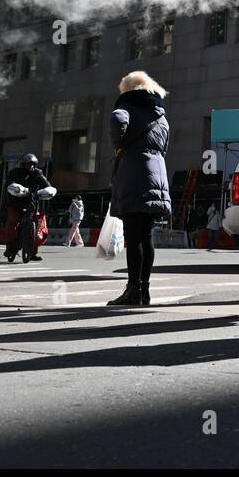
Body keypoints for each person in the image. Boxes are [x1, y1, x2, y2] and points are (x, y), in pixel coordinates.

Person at [107, 71, 173, 305]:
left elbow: (117, 119)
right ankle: (144, 291)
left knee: (132, 236)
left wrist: (118, 144)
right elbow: (164, 146)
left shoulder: (128, 106)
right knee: (146, 235)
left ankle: (132, 290)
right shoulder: (161, 116)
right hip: (157, 176)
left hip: (133, 174)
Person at [4, 154, 56, 262]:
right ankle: (10, 247)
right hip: (15, 203)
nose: (30, 166)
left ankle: (33, 252)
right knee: (12, 221)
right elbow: (9, 184)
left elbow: (47, 185)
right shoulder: (15, 172)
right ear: (23, 164)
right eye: (28, 164)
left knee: (40, 227)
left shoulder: (38, 173)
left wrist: (46, 191)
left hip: (33, 203)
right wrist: (18, 189)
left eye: (32, 164)